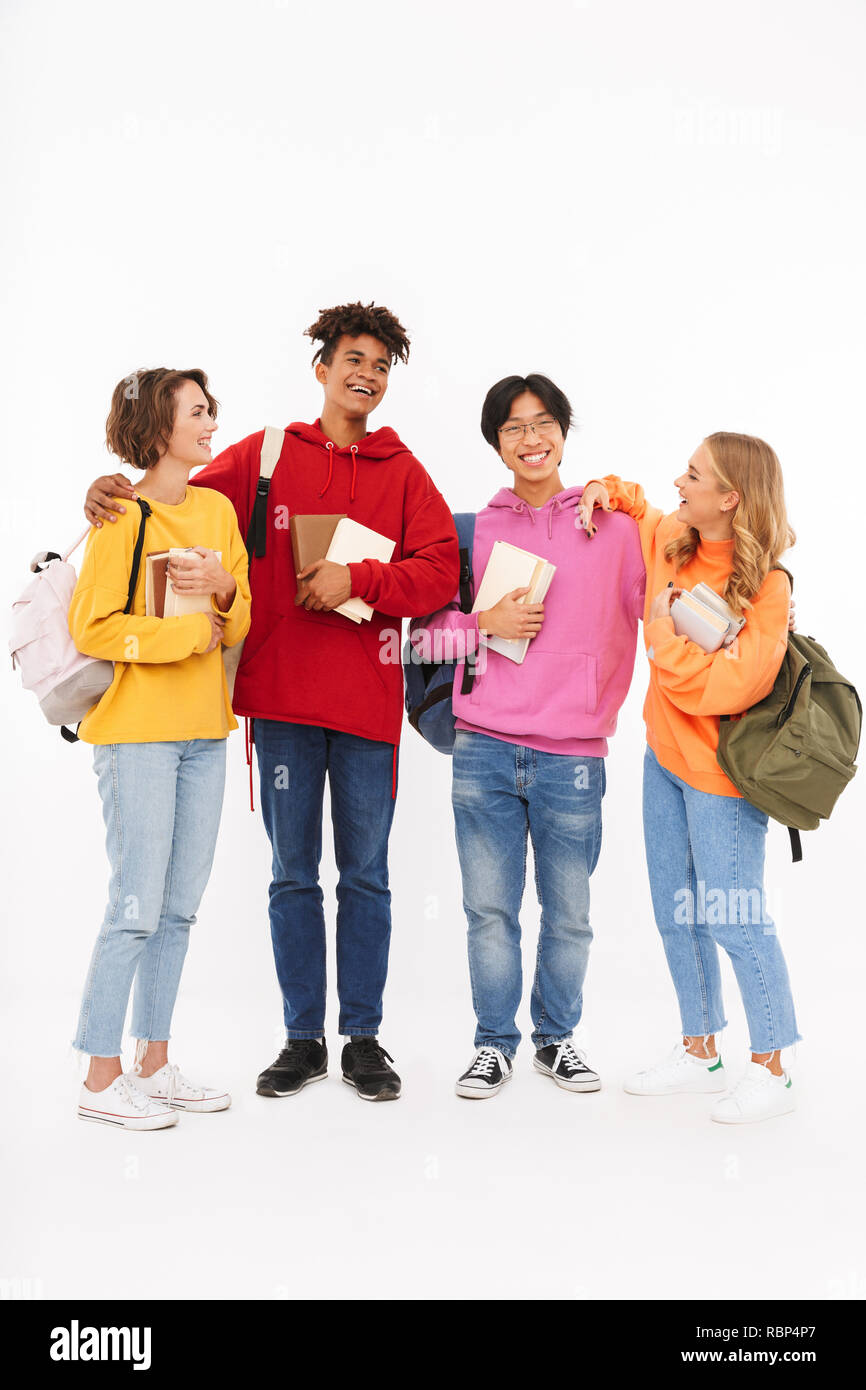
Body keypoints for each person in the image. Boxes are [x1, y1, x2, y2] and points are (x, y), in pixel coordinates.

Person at [84, 303, 459, 1102]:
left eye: (382, 366)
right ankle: (301, 1038)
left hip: (365, 710)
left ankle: (362, 1037)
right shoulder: (264, 455)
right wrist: (107, 489)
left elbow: (438, 569)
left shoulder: (403, 470)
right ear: (321, 367)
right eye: (353, 358)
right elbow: (171, 494)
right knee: (293, 876)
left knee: (366, 876)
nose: (367, 374)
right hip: (281, 706)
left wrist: (358, 579)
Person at [416, 375, 646, 1097]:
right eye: (513, 428)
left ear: (564, 432)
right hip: (482, 745)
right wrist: (482, 627)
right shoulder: (469, 531)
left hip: (573, 754)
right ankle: (493, 1043)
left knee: (570, 915)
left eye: (543, 423)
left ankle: (557, 1038)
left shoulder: (614, 530)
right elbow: (419, 640)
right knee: (488, 911)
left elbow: (663, 609)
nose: (531, 439)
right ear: (495, 444)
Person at [579, 433, 800, 1124]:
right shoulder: (676, 537)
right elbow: (637, 502)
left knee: (735, 918)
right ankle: (701, 1049)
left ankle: (771, 1067)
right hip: (663, 760)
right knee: (677, 911)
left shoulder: (767, 585)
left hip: (722, 778)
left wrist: (661, 636)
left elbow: (736, 686)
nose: (681, 479)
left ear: (730, 498)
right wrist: (602, 489)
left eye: (695, 474)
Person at [70, 368, 251, 1129]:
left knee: (178, 910)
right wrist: (186, 633)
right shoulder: (121, 516)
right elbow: (91, 628)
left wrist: (222, 591)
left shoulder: (213, 511)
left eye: (211, 412)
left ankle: (153, 1061)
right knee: (135, 907)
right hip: (136, 737)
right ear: (159, 428)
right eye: (199, 413)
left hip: (205, 734)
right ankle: (100, 1077)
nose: (212, 424)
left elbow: (239, 621)